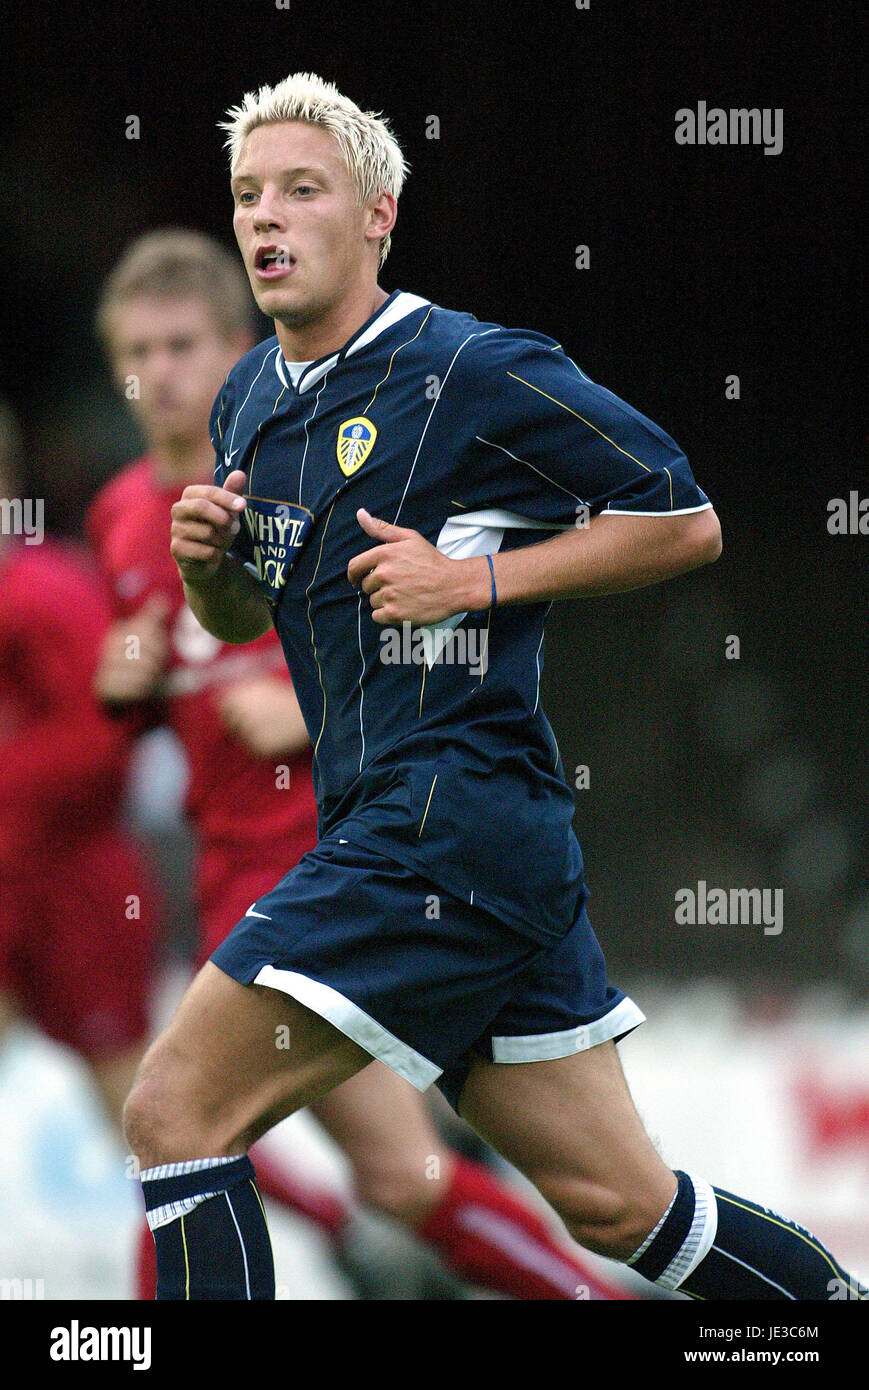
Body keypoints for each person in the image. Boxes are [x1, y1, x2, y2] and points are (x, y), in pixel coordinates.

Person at [123, 72, 862, 1301]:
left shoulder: (465, 364)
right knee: (620, 1206)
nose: (267, 218)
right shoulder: (249, 396)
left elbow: (683, 521)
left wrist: (475, 586)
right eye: (248, 195)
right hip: (453, 840)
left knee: (176, 1110)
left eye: (302, 190)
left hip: (439, 825)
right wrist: (210, 576)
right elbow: (247, 610)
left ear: (377, 212)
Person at [90, 229, 630, 1301]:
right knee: (358, 1161)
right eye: (136, 350)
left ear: (236, 346)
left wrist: (305, 706)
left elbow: (403, 615)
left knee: (192, 1121)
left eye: (184, 344)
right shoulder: (119, 517)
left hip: (325, 856)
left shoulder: (294, 473)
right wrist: (130, 685)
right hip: (226, 865)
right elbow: (174, 681)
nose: (160, 373)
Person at [0, 399, 157, 1131]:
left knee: (140, 1109)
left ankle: (334, 1222)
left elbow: (102, 746)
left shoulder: (44, 589)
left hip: (75, 891)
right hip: (20, 880)